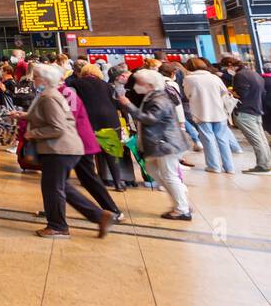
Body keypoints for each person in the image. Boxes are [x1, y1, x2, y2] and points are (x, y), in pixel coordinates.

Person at [23, 63, 113, 240]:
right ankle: (99, 216)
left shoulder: (48, 97)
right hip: (64, 148)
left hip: (59, 148)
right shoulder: (52, 94)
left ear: (44, 79)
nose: (33, 80)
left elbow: (57, 127)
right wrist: (24, 116)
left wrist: (31, 133)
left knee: (53, 188)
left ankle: (58, 226)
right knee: (61, 186)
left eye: (36, 77)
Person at [117, 69, 192, 220]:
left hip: (165, 143)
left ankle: (182, 208)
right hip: (160, 143)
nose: (136, 86)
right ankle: (180, 200)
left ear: (150, 85)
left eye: (139, 83)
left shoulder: (159, 99)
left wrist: (128, 105)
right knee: (152, 169)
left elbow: (149, 119)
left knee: (169, 176)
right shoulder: (152, 96)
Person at [58, 72, 123, 221]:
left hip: (77, 140)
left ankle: (109, 212)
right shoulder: (104, 85)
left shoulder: (68, 91)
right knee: (61, 180)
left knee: (82, 178)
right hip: (79, 137)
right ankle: (54, 211)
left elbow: (70, 116)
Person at [69, 63, 128, 192]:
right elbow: (118, 104)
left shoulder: (75, 83)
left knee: (89, 152)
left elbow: (72, 104)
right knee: (112, 154)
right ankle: (118, 183)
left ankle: (92, 181)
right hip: (110, 121)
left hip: (88, 120)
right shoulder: (108, 86)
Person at [183, 57, 239, 174]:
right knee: (223, 139)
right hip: (219, 111)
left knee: (208, 139)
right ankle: (229, 167)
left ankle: (213, 166)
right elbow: (224, 92)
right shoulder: (214, 77)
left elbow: (188, 94)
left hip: (202, 112)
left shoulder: (189, 79)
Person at [220, 55, 271, 173]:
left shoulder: (240, 75)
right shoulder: (253, 73)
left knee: (256, 140)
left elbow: (241, 94)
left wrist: (230, 92)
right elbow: (262, 93)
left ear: (230, 66)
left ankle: (263, 166)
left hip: (245, 111)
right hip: (256, 109)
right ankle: (266, 163)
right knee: (261, 139)